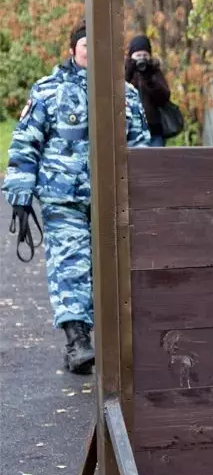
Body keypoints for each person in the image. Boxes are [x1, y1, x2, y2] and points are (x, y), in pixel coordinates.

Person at [2, 19, 150, 375]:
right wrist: (21, 192)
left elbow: (141, 148)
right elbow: (25, 144)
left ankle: (118, 345)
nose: (92, 55)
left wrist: (147, 194)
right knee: (70, 267)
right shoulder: (48, 91)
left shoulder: (126, 95)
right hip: (63, 199)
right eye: (86, 48)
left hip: (111, 200)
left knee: (114, 270)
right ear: (73, 51)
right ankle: (77, 343)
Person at [125, 34, 171, 147]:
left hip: (153, 131)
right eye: (138, 55)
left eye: (145, 55)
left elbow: (164, 97)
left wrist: (148, 79)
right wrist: (129, 72)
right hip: (130, 130)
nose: (141, 59)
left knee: (156, 163)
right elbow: (117, 93)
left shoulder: (154, 72)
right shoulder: (125, 71)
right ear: (131, 56)